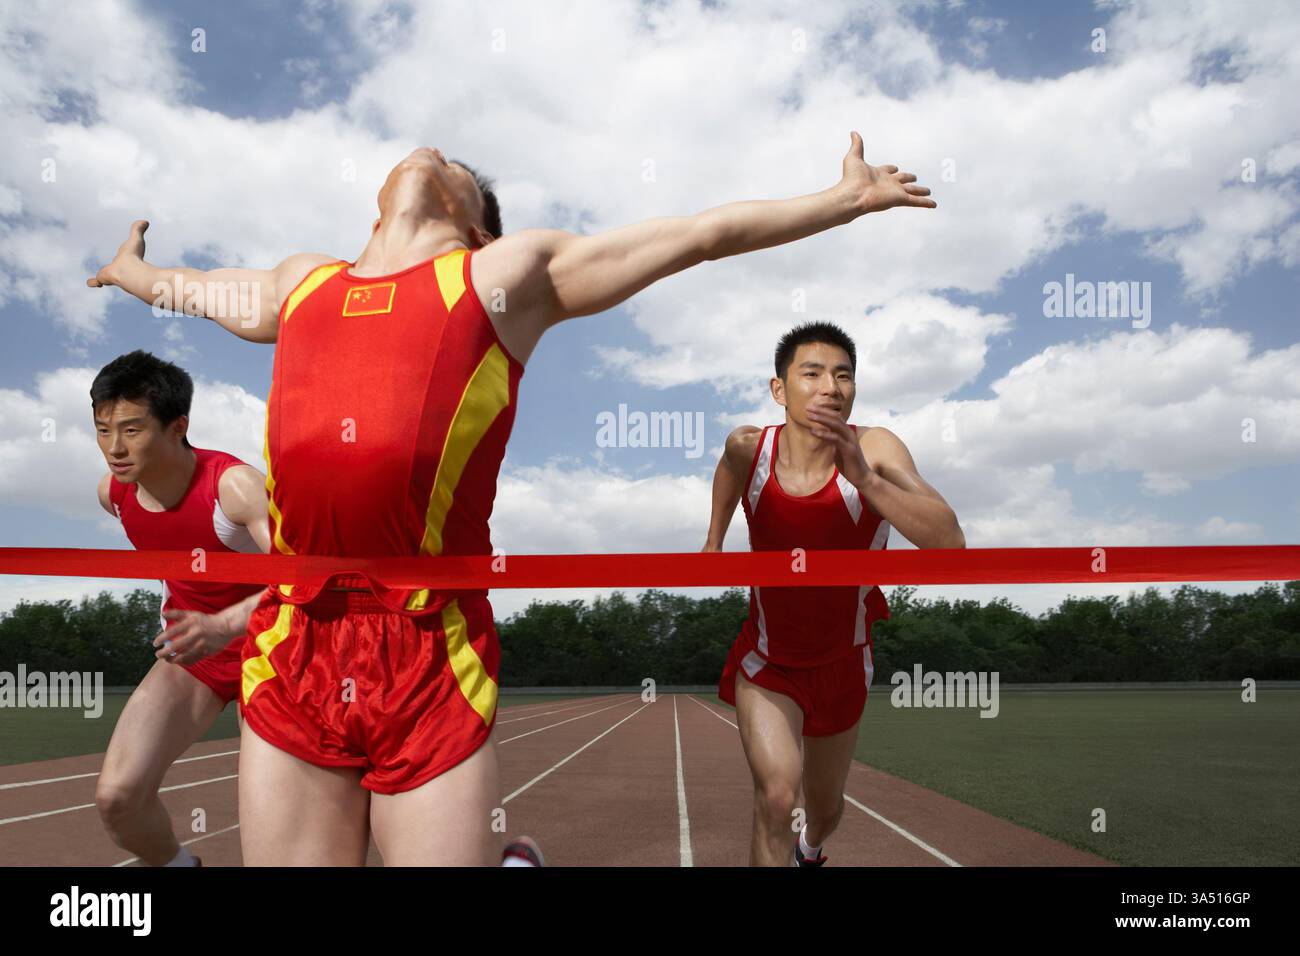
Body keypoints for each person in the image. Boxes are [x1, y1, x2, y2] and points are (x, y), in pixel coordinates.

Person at [87, 132, 935, 866]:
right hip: (298, 634)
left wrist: (840, 200)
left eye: (455, 165)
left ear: (474, 223)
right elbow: (193, 289)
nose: (432, 156)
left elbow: (698, 237)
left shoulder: (504, 277)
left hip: (426, 645)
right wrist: (135, 274)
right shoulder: (302, 284)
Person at [702, 321, 965, 866]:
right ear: (780, 390)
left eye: (843, 376)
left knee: (824, 809)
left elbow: (950, 542)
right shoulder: (749, 448)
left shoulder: (876, 447)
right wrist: (713, 541)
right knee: (777, 796)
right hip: (767, 659)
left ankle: (811, 850)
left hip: (844, 662)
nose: (831, 387)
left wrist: (867, 480)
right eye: (813, 373)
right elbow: (729, 467)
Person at [91, 350, 270, 866]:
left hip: (276, 648)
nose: (114, 449)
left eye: (131, 429)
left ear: (177, 427)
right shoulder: (114, 495)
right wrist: (205, 628)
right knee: (118, 798)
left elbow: (309, 580)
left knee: (268, 818)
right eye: (103, 430)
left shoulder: (234, 489)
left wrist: (226, 623)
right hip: (198, 654)